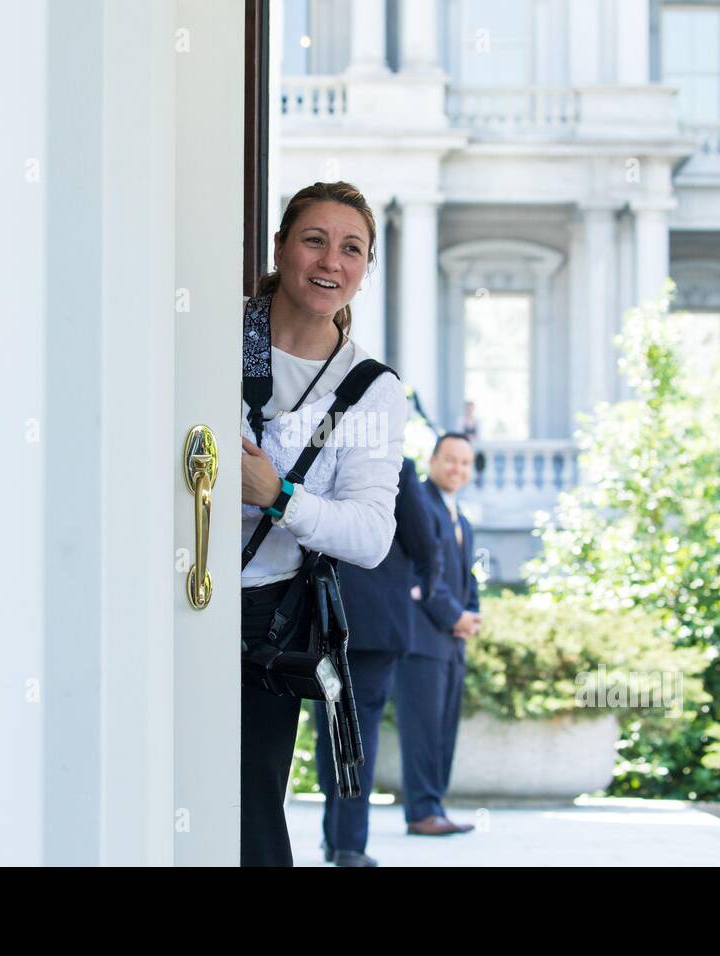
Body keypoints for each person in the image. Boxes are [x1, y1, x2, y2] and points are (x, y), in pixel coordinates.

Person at [239, 181, 407, 867]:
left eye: (351, 249)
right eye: (314, 239)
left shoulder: (369, 387)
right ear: (281, 246)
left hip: (263, 626)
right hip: (157, 602)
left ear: (365, 270)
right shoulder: (215, 336)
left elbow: (370, 536)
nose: (330, 261)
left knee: (248, 814)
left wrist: (279, 497)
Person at [313, 456, 442, 866]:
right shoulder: (394, 465)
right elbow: (425, 545)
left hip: (319, 617)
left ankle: (337, 839)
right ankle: (348, 844)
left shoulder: (315, 457)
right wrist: (418, 590)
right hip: (374, 622)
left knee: (329, 729)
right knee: (358, 730)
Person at [395, 432, 481, 836]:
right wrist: (453, 616)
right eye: (450, 460)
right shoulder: (420, 503)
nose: (457, 469)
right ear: (433, 461)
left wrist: (472, 615)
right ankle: (422, 811)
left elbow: (467, 578)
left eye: (465, 463)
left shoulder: (461, 517)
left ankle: (435, 805)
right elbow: (421, 569)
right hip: (423, 637)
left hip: (451, 641)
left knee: (444, 726)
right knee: (423, 728)